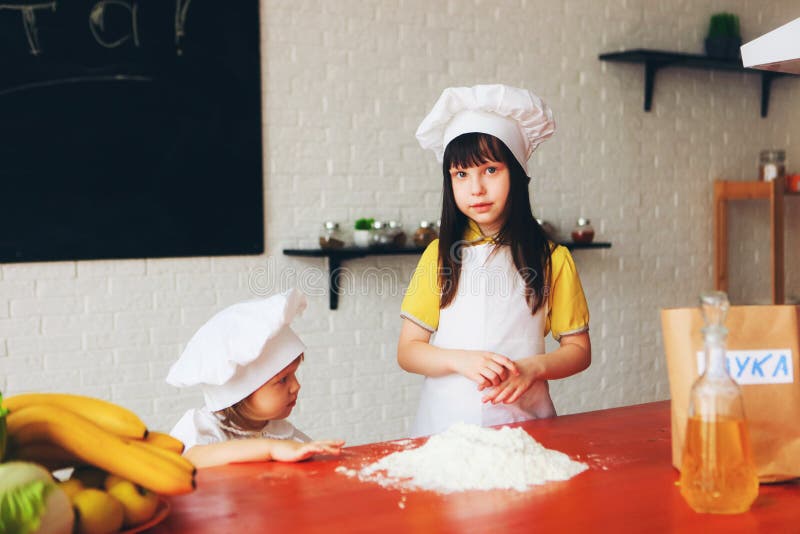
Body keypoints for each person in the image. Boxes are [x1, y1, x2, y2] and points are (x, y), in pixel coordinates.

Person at [398, 84, 592, 437]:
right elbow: (409, 351)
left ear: (516, 172)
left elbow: (578, 350)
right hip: (445, 428)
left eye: (489, 170)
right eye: (461, 174)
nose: (476, 189)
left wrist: (534, 368)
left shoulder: (552, 259)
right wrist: (460, 360)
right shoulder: (439, 257)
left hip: (525, 426)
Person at [166, 288, 344, 467]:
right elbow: (191, 458)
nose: (296, 386)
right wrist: (271, 449)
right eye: (282, 379)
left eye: (294, 374)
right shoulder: (203, 427)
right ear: (240, 392)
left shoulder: (282, 433)